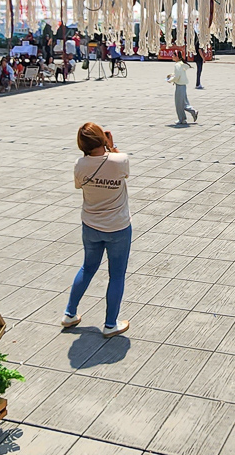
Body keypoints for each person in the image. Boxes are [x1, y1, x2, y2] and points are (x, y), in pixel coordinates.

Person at [62, 122, 132, 338]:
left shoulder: (80, 164)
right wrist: (112, 147)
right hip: (118, 226)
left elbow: (78, 186)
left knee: (88, 268)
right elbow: (124, 171)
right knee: (117, 275)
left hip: (91, 224)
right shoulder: (119, 160)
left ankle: (70, 314)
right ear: (103, 139)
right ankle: (110, 324)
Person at [167, 50, 198, 125]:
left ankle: (183, 118)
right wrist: (172, 75)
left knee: (179, 103)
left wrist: (170, 80)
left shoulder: (177, 65)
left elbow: (177, 76)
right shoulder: (181, 64)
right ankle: (185, 117)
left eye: (173, 55)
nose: (172, 57)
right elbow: (179, 73)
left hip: (180, 85)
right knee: (183, 102)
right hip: (183, 85)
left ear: (177, 57)